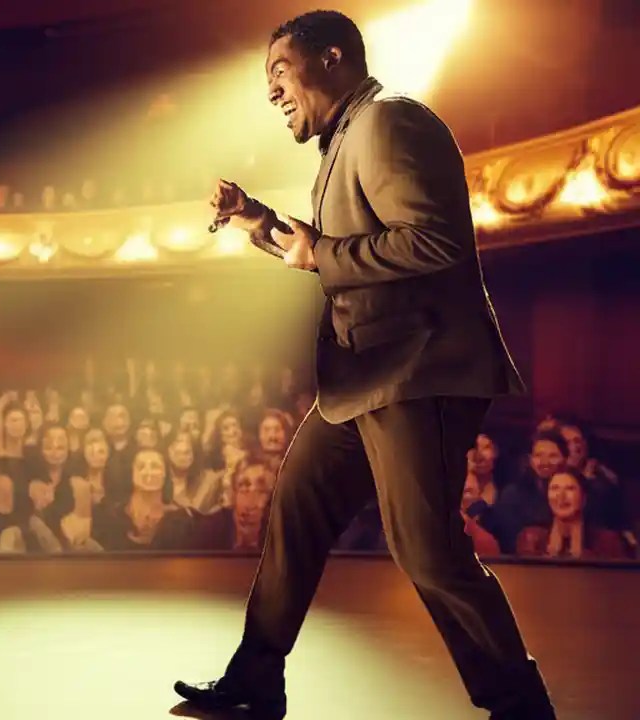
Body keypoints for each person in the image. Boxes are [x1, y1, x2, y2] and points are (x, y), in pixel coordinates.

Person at [175, 11, 554, 720]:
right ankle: (256, 679)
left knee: (428, 552)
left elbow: (433, 242)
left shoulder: (387, 121)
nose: (271, 91)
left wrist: (321, 253)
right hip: (364, 380)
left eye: (279, 72)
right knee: (297, 504)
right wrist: (258, 220)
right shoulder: (349, 137)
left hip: (418, 375)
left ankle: (521, 707)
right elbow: (327, 250)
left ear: (332, 58)